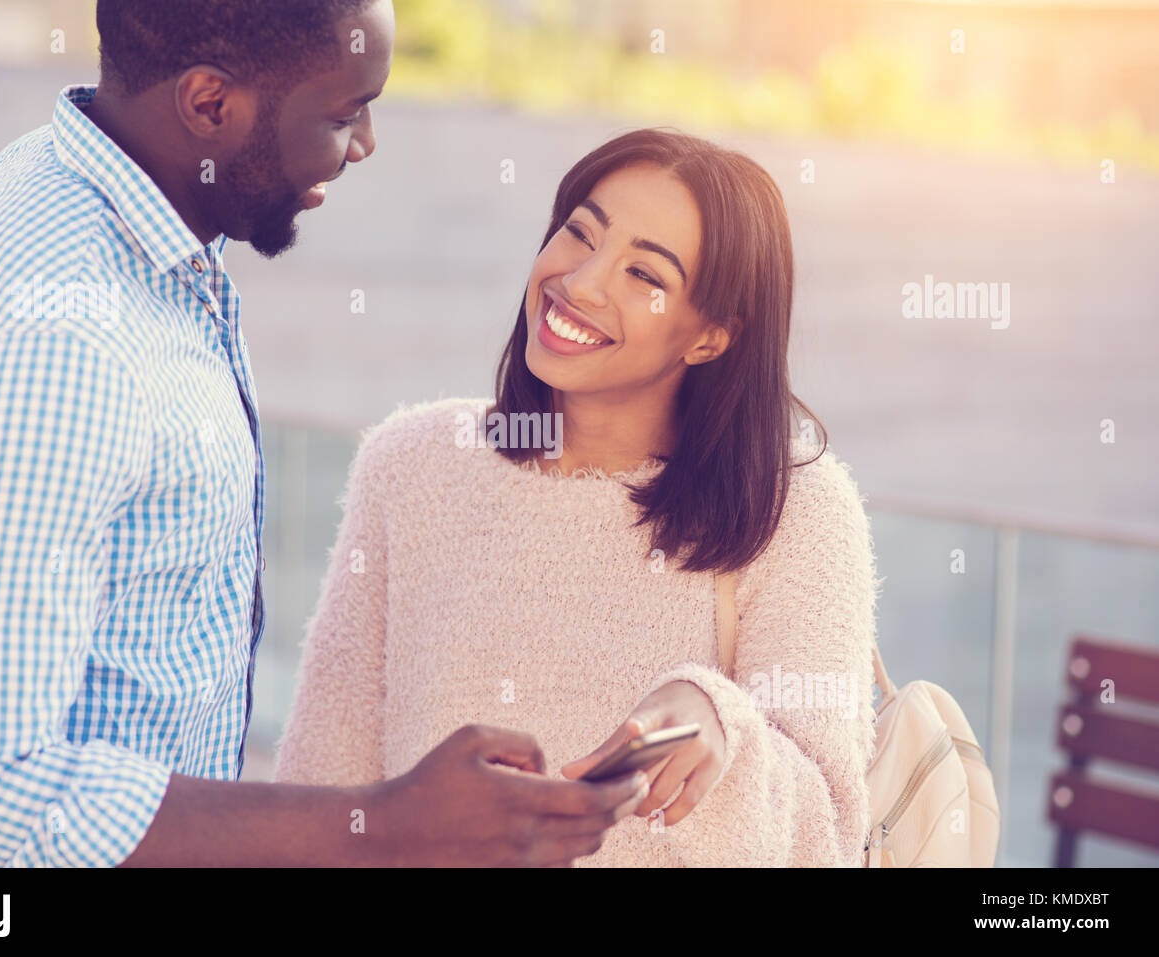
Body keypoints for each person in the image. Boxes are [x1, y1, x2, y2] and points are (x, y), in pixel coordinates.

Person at [0, 0, 646, 869]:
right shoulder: (58, 347)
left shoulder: (93, 187)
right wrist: (385, 826)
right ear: (208, 105)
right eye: (343, 114)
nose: (365, 144)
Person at [273, 129, 882, 866]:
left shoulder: (795, 512)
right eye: (580, 234)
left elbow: (829, 839)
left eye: (645, 276)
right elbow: (320, 794)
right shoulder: (410, 465)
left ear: (712, 336)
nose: (582, 282)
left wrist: (723, 725)